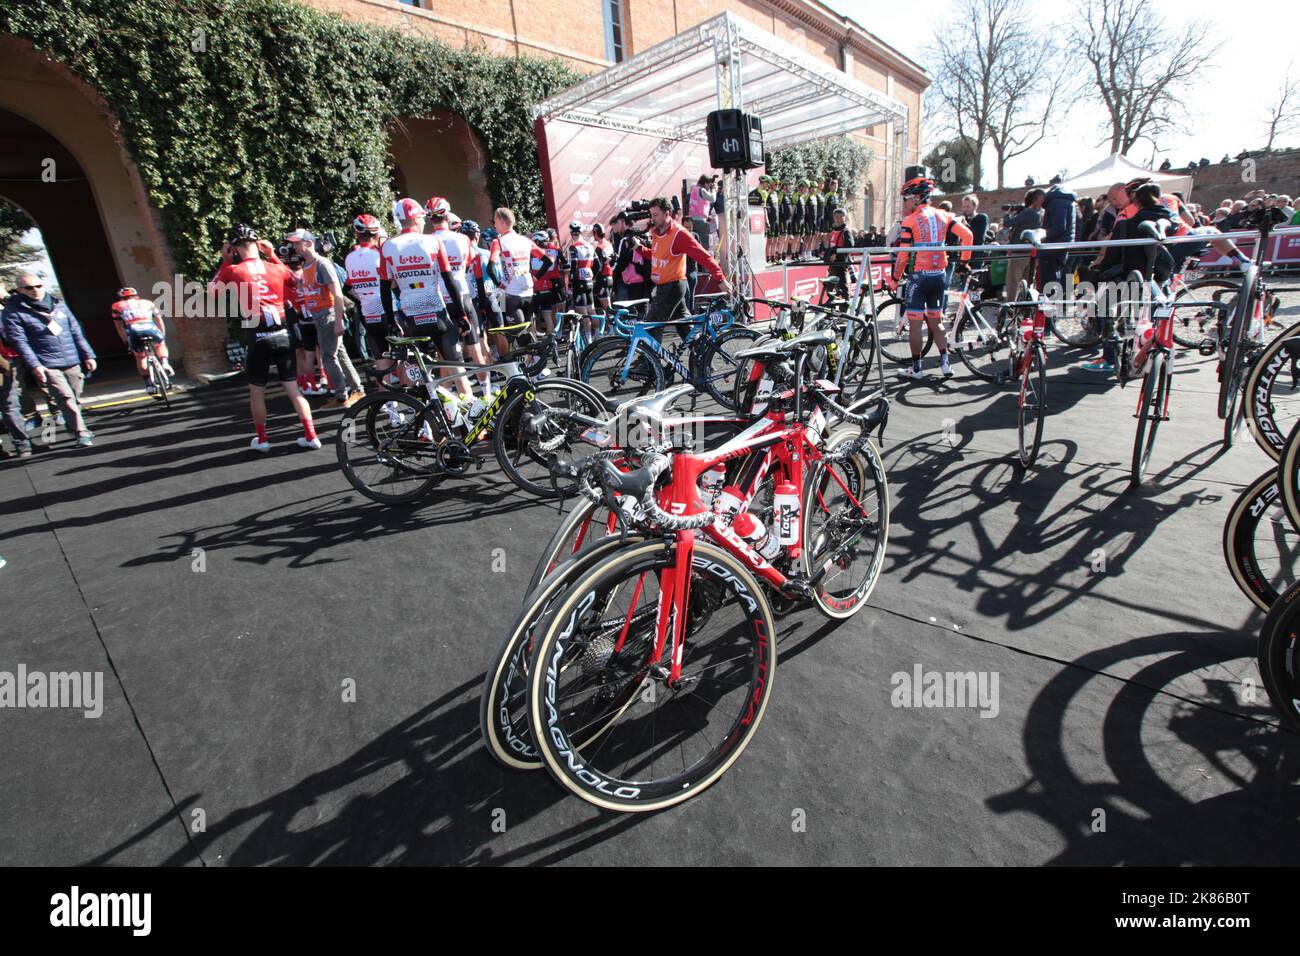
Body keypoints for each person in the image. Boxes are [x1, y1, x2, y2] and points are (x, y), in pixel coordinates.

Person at [210, 225, 319, 451]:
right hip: (282, 333)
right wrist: (272, 255)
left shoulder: (233, 270)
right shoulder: (274, 267)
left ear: (235, 248)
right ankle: (311, 435)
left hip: (258, 336)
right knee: (292, 389)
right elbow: (295, 281)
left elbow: (212, 292)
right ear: (258, 245)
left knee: (257, 392)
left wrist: (224, 261)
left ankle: (262, 440)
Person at [380, 198, 472, 398]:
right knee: (458, 370)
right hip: (437, 313)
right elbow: (449, 281)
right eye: (422, 218)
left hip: (410, 318)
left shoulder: (387, 246)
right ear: (415, 219)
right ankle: (470, 422)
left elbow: (385, 289)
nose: (424, 222)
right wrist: (462, 315)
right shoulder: (432, 241)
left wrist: (391, 322)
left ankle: (424, 425)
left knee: (415, 375)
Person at [885, 177, 973, 380]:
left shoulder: (910, 221)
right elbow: (968, 236)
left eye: (905, 199)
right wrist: (964, 262)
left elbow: (903, 255)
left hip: (919, 277)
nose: (903, 204)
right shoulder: (945, 215)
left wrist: (894, 279)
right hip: (939, 276)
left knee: (915, 325)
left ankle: (917, 369)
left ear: (915, 198)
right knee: (936, 322)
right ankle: (945, 365)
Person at [1, 273, 97, 448]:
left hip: (71, 358)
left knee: (75, 397)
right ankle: (81, 433)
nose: (35, 290)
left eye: (38, 286)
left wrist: (88, 355)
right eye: (29, 288)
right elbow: (19, 341)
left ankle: (72, 424)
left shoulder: (59, 304)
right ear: (19, 290)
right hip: (46, 362)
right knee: (65, 397)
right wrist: (35, 365)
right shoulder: (14, 311)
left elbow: (76, 331)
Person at [285, 228, 363, 409]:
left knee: (329, 357)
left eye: (298, 243)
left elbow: (337, 294)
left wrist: (338, 320)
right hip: (319, 317)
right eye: (294, 243)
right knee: (339, 353)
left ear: (309, 243)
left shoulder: (322, 264)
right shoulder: (307, 266)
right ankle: (356, 390)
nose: (295, 247)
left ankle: (342, 394)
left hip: (328, 315)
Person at [643, 196, 731, 339]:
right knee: (686, 328)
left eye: (655, 215)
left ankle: (648, 360)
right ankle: (699, 354)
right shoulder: (657, 232)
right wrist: (638, 248)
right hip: (666, 286)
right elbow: (656, 257)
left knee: (651, 327)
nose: (652, 219)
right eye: (651, 215)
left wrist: (719, 279)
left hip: (672, 286)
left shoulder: (680, 234)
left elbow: (704, 256)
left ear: (667, 214)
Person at [429, 207, 491, 391]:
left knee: (445, 354)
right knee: (475, 348)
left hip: (441, 299)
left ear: (430, 219)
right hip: (463, 296)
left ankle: (449, 399)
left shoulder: (429, 241)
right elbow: (471, 263)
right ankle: (486, 392)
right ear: (446, 217)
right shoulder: (463, 239)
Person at [344, 213, 394, 381]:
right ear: (377, 233)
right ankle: (410, 399)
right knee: (401, 358)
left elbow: (347, 288)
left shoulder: (350, 258)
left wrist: (362, 300)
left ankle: (389, 404)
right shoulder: (381, 255)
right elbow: (393, 283)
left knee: (381, 360)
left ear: (357, 234)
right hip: (388, 312)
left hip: (368, 313)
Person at [110, 287, 174, 395]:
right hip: (150, 328)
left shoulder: (116, 306)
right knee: (160, 345)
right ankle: (164, 362)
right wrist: (162, 336)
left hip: (134, 331)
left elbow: (119, 326)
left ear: (121, 298)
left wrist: (125, 340)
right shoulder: (148, 303)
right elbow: (159, 320)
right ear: (136, 296)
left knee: (140, 357)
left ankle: (148, 383)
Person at [491, 207, 536, 331]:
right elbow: (548, 260)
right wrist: (535, 275)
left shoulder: (498, 242)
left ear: (502, 222)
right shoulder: (526, 240)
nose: (494, 225)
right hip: (529, 291)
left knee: (518, 333)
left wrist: (499, 284)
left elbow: (491, 267)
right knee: (530, 331)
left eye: (495, 222)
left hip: (510, 293)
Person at [1003, 189, 1046, 301]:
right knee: (1027, 282)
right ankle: (1023, 308)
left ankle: (1010, 307)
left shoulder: (1029, 212)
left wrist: (1007, 214)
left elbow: (1007, 223)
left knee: (1013, 282)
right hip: (1030, 252)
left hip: (1019, 253)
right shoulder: (1039, 214)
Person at [565, 221, 597, 333]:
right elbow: (598, 265)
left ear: (571, 233)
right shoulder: (590, 245)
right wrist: (592, 277)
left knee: (583, 313)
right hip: (589, 280)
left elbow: (574, 265)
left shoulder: (573, 247)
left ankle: (588, 339)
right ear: (581, 232)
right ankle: (598, 333)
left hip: (579, 282)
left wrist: (569, 284)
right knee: (591, 310)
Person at [591, 222, 614, 314]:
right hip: (610, 277)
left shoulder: (599, 247)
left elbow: (598, 266)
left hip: (603, 278)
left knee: (607, 308)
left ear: (596, 233)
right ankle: (609, 326)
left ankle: (612, 327)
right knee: (607, 307)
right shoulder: (609, 244)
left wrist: (593, 278)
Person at [688, 176, 714, 250]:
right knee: (703, 246)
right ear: (705, 183)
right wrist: (714, 190)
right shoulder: (701, 190)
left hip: (692, 221)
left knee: (695, 245)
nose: (709, 187)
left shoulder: (694, 189)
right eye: (709, 185)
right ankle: (702, 262)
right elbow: (712, 198)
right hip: (700, 223)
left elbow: (697, 205)